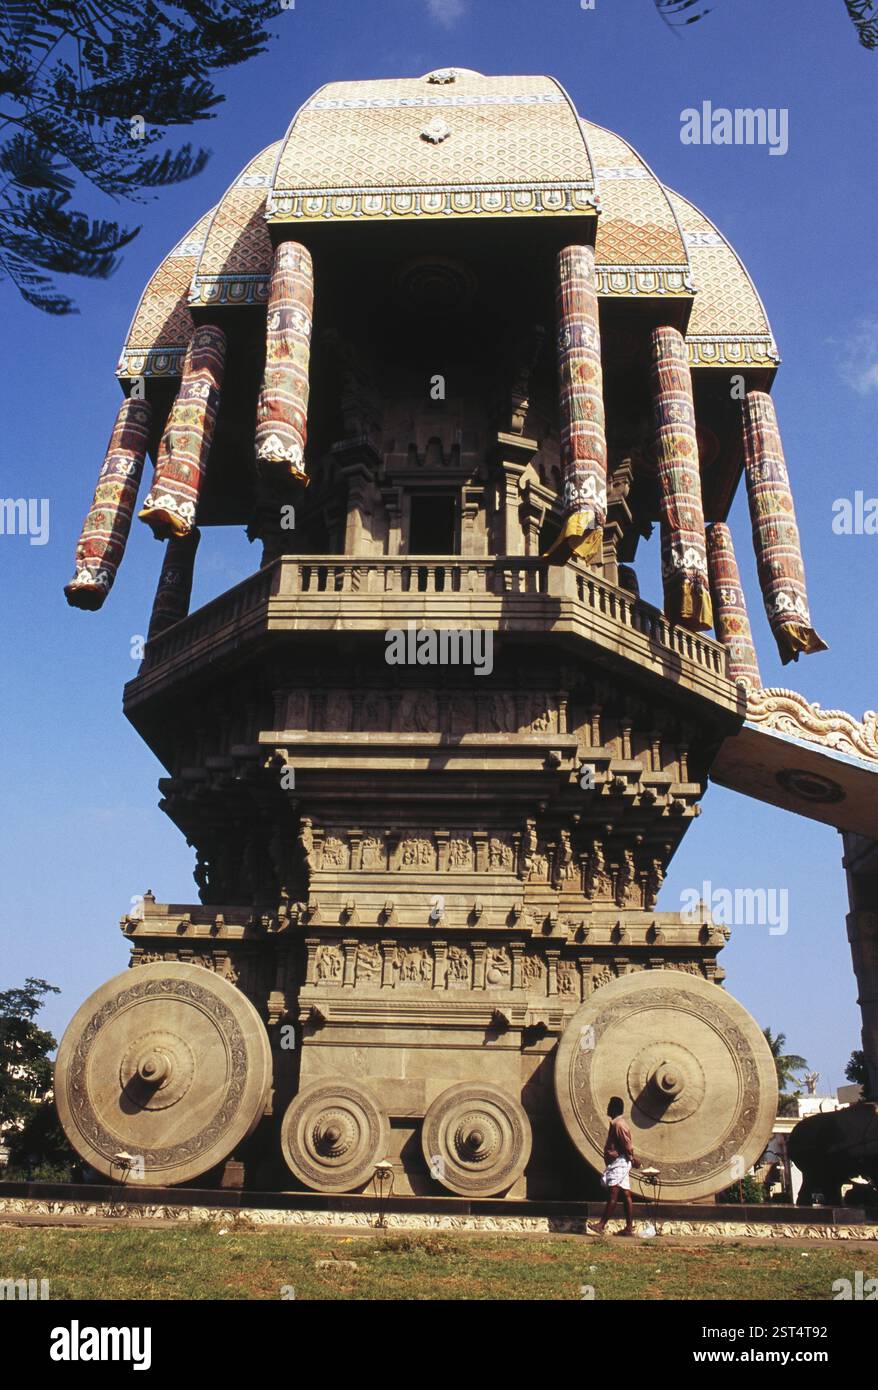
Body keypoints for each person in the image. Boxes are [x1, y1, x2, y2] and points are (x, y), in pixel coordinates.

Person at [588, 1096, 640, 1236]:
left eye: (610, 1105)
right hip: (620, 1162)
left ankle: (601, 1225)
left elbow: (627, 1144)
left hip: (619, 1162)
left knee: (613, 1193)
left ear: (615, 1109)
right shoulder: (617, 1123)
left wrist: (632, 1158)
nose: (607, 1108)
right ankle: (629, 1228)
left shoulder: (619, 1125)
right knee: (626, 1193)